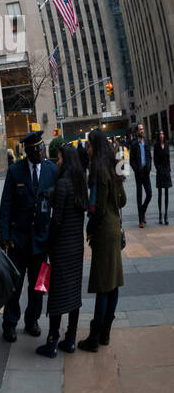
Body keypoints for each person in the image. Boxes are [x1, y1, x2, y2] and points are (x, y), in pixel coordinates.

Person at [0, 130, 58, 342]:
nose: (41, 153)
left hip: (41, 242)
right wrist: (4, 235)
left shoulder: (52, 170)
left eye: (42, 148)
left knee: (38, 286)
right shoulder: (16, 171)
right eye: (37, 151)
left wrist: (54, 237)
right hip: (18, 241)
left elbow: (57, 205)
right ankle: (10, 323)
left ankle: (32, 320)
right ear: (28, 153)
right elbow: (6, 205)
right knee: (14, 285)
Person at [36, 144, 86, 357]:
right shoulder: (80, 184)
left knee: (56, 293)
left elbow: (56, 221)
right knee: (74, 292)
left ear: (66, 161)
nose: (57, 163)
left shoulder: (64, 184)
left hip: (62, 248)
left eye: (59, 159)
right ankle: (71, 339)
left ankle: (52, 340)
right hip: (77, 248)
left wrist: (49, 244)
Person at [79, 129, 126, 352]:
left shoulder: (97, 169)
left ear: (94, 147)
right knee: (113, 284)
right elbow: (123, 199)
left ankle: (95, 338)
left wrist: (90, 227)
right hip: (115, 228)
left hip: (104, 232)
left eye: (88, 146)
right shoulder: (116, 163)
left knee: (102, 286)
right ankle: (105, 334)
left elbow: (94, 208)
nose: (87, 149)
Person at [131, 123, 152, 227]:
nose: (142, 131)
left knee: (149, 194)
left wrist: (149, 167)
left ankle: (143, 211)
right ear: (137, 132)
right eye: (140, 129)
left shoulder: (146, 142)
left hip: (146, 172)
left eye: (143, 129)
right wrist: (136, 170)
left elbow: (149, 157)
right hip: (139, 173)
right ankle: (140, 220)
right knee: (139, 196)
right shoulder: (134, 144)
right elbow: (131, 161)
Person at [154, 129, 171, 226]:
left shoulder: (167, 144)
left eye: (162, 133)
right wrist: (159, 169)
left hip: (166, 172)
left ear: (164, 135)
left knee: (167, 194)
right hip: (160, 172)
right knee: (160, 194)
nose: (161, 135)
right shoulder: (156, 146)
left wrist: (168, 169)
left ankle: (166, 215)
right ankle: (160, 214)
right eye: (160, 134)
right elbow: (155, 160)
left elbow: (168, 157)